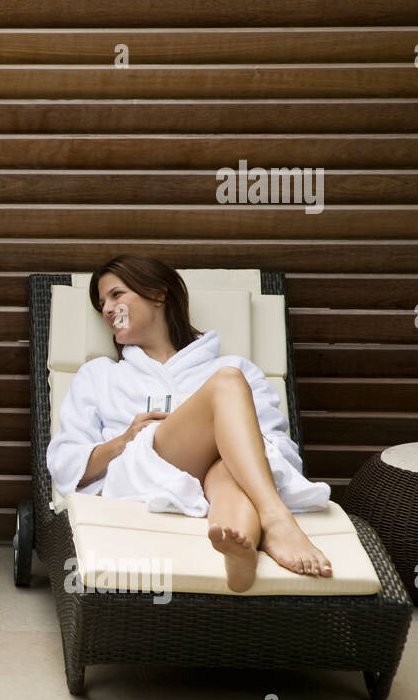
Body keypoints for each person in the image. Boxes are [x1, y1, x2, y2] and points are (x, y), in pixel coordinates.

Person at [46, 254, 333, 593]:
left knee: (229, 465)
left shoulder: (237, 366)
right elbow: (66, 466)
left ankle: (241, 551)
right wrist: (124, 439)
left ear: (157, 294)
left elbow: (277, 446)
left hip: (223, 475)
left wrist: (224, 444)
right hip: (148, 471)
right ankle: (275, 518)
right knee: (225, 383)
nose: (107, 309)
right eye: (101, 303)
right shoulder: (100, 375)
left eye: (116, 295)